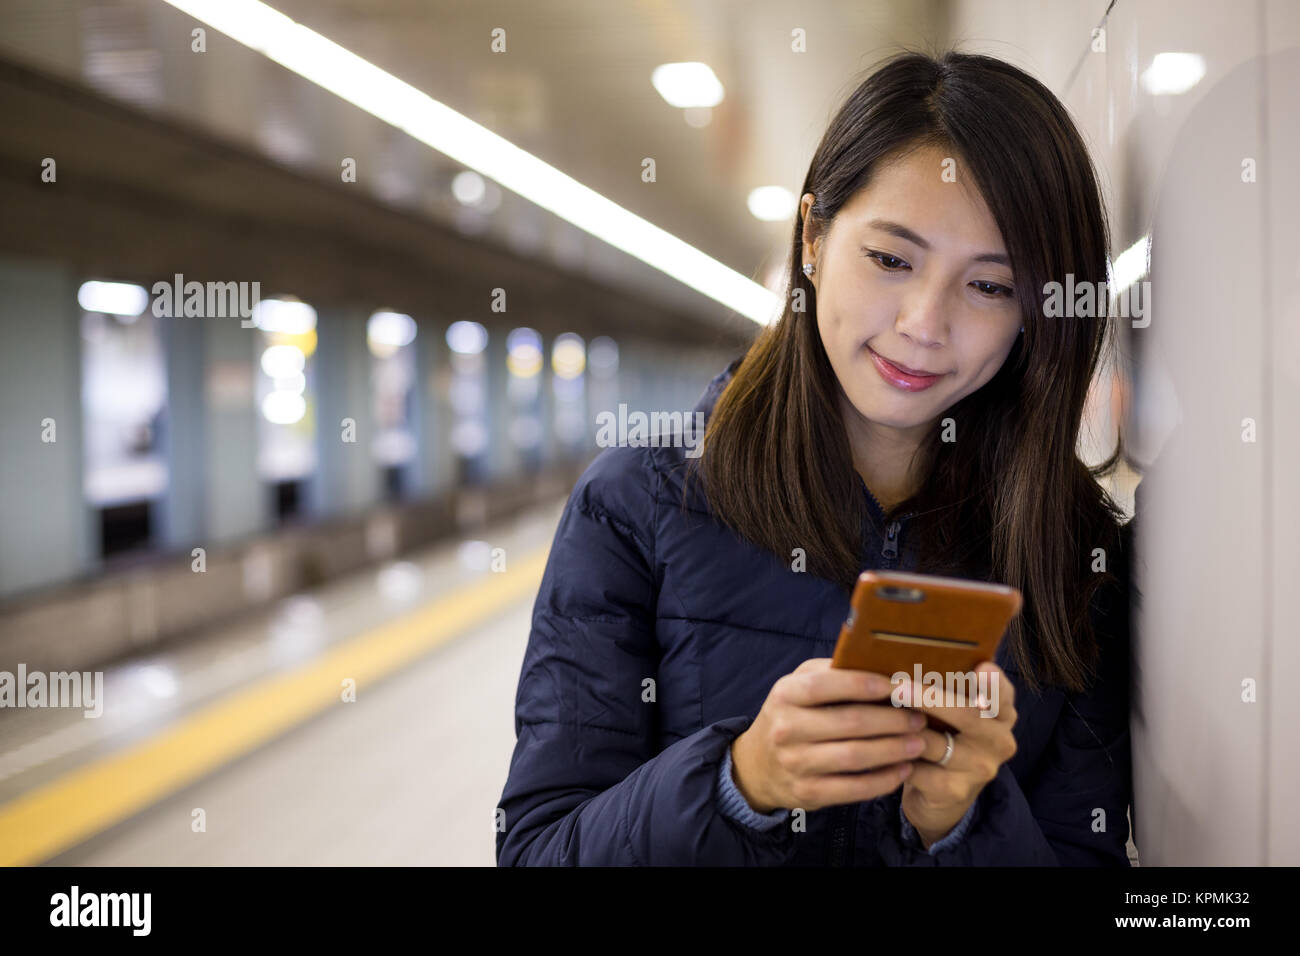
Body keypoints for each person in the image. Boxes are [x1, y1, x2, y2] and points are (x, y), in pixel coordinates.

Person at [495, 48, 1136, 866]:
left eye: (990, 286)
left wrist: (962, 826)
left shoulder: (1074, 556)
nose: (924, 324)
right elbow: (537, 850)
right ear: (813, 239)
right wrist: (740, 784)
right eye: (891, 260)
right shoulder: (637, 505)